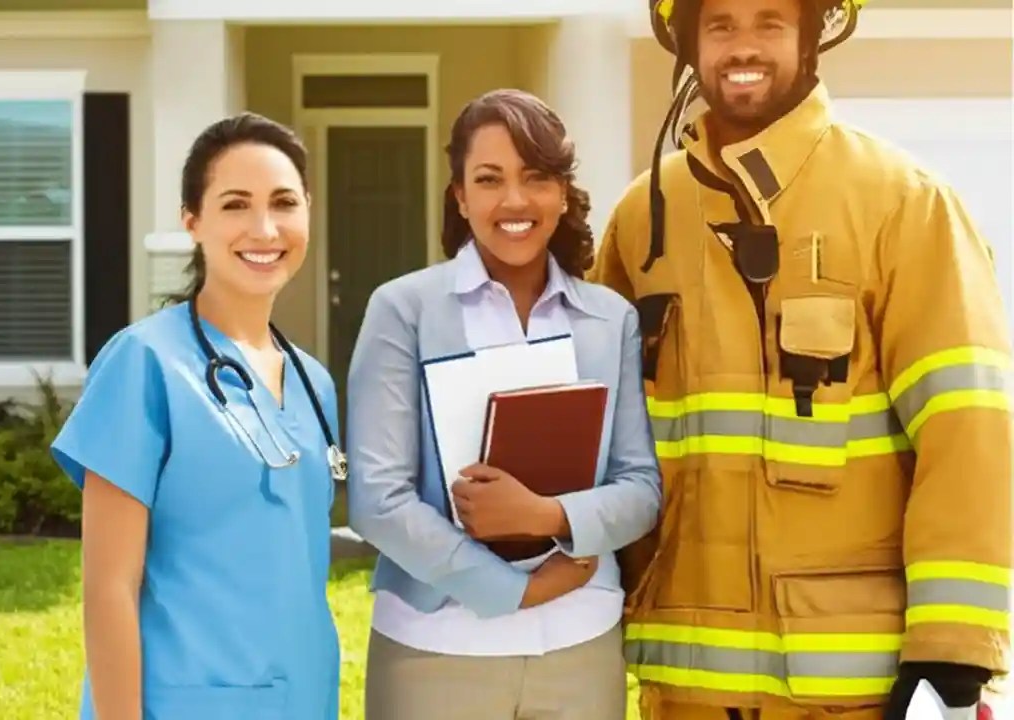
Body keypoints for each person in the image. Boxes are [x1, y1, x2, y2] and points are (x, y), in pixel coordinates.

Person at [590, 1, 1013, 720]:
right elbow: (601, 442)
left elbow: (967, 432)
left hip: (850, 693)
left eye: (769, 22)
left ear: (812, 36)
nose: (742, 46)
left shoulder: (902, 204)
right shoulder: (642, 217)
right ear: (688, 41)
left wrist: (952, 653)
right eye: (720, 25)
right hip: (680, 692)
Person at [345, 88, 663, 720]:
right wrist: (514, 591)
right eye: (489, 180)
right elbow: (378, 500)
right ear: (460, 196)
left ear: (563, 192)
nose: (514, 201)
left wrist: (546, 514)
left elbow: (642, 488)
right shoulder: (402, 310)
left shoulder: (609, 319)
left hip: (580, 647)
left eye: (536, 178)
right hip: (434, 651)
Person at [50, 112, 344, 720]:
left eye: (284, 202)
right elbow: (109, 588)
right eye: (235, 204)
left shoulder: (313, 383)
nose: (264, 228)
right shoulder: (145, 363)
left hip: (303, 699)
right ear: (192, 220)